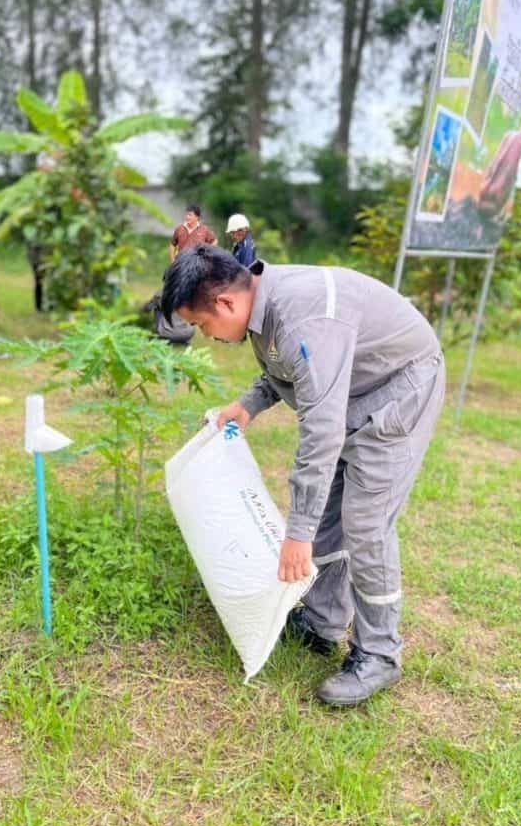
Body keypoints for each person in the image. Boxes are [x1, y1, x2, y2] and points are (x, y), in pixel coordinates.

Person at [161, 246, 445, 707]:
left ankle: (379, 654)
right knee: (333, 511)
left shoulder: (303, 319)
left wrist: (298, 533)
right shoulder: (261, 302)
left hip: (398, 388)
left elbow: (321, 431)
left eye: (201, 325)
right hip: (352, 386)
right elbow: (286, 368)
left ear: (226, 304)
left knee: (366, 525)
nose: (206, 336)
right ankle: (322, 622)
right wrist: (248, 404)